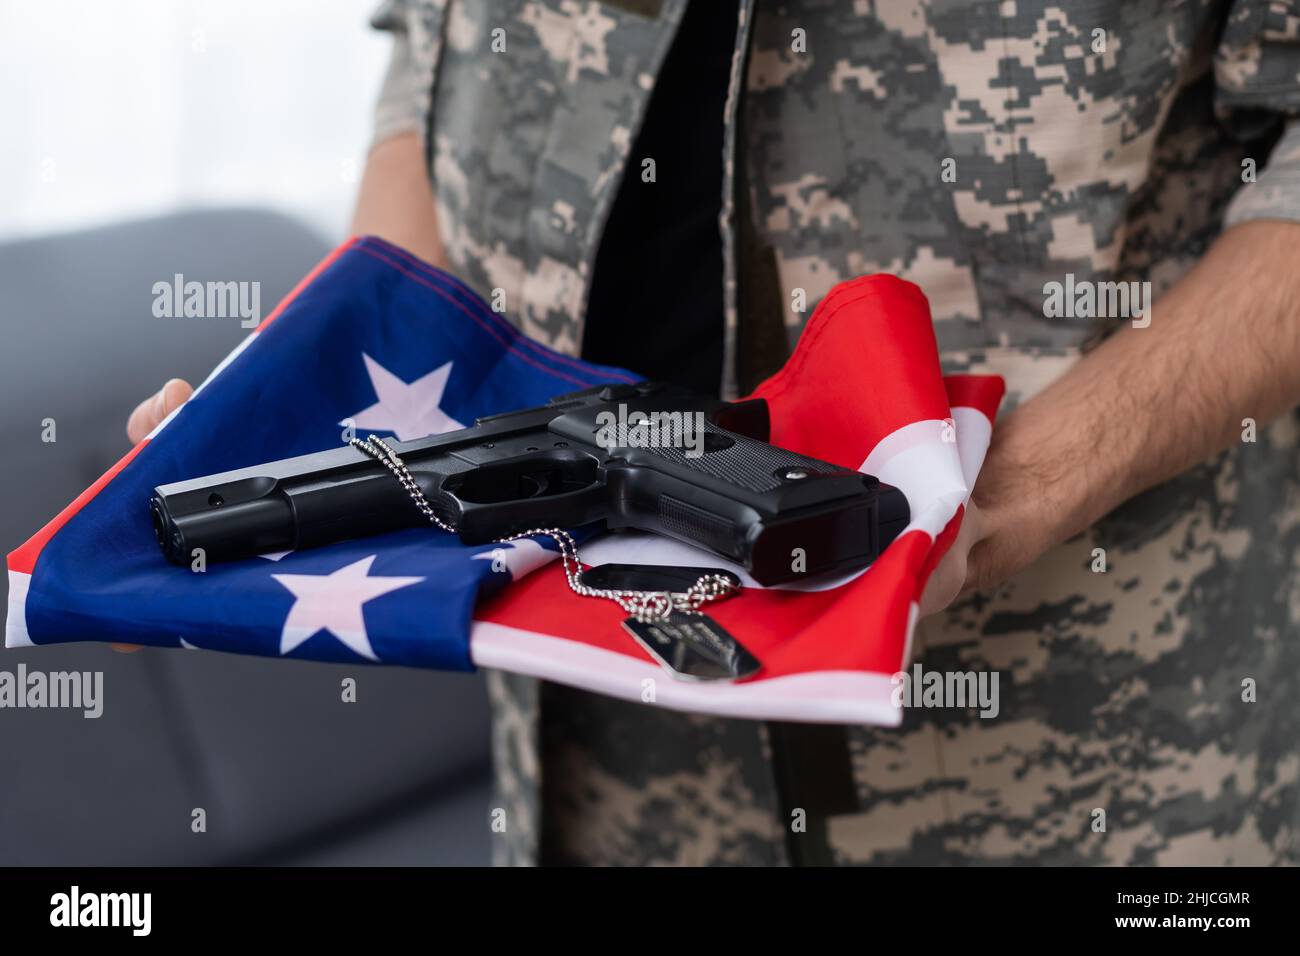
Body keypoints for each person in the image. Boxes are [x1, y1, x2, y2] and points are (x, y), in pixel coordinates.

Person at [129, 0, 1300, 865]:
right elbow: (429, 63)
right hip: (594, 729)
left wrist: (1012, 482)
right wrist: (328, 378)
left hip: (1075, 752)